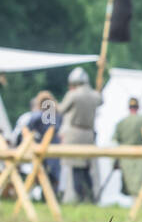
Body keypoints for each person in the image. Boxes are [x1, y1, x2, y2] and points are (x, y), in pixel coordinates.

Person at [59, 66, 102, 202]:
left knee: (76, 168)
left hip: (74, 134)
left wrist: (52, 104)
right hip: (89, 134)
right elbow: (101, 100)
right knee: (86, 169)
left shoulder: (73, 95)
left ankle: (79, 197)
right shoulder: (95, 95)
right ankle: (90, 196)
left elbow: (61, 109)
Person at [20, 90, 62, 201]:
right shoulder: (57, 115)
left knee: (40, 174)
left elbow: (26, 128)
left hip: (41, 148)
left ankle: (36, 198)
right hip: (54, 147)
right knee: (53, 176)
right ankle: (51, 198)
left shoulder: (38, 115)